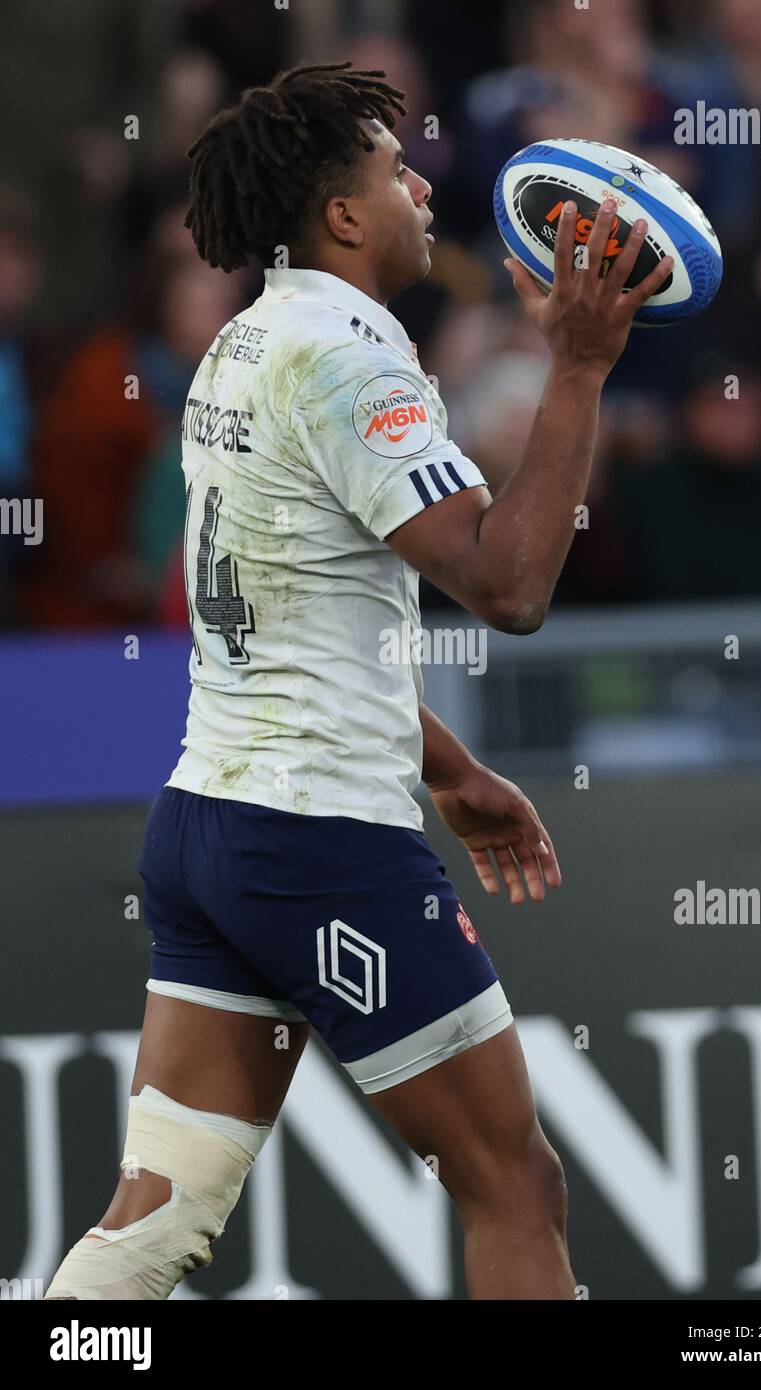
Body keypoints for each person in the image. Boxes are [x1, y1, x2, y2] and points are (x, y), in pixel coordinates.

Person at [45, 61, 671, 1302]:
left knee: (154, 1220)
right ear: (340, 215)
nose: (422, 184)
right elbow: (509, 587)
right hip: (319, 844)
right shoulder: (348, 362)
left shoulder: (242, 342)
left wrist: (448, 767)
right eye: (395, 170)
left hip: (209, 826)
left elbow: (289, 625)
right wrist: (580, 367)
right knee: (513, 1185)